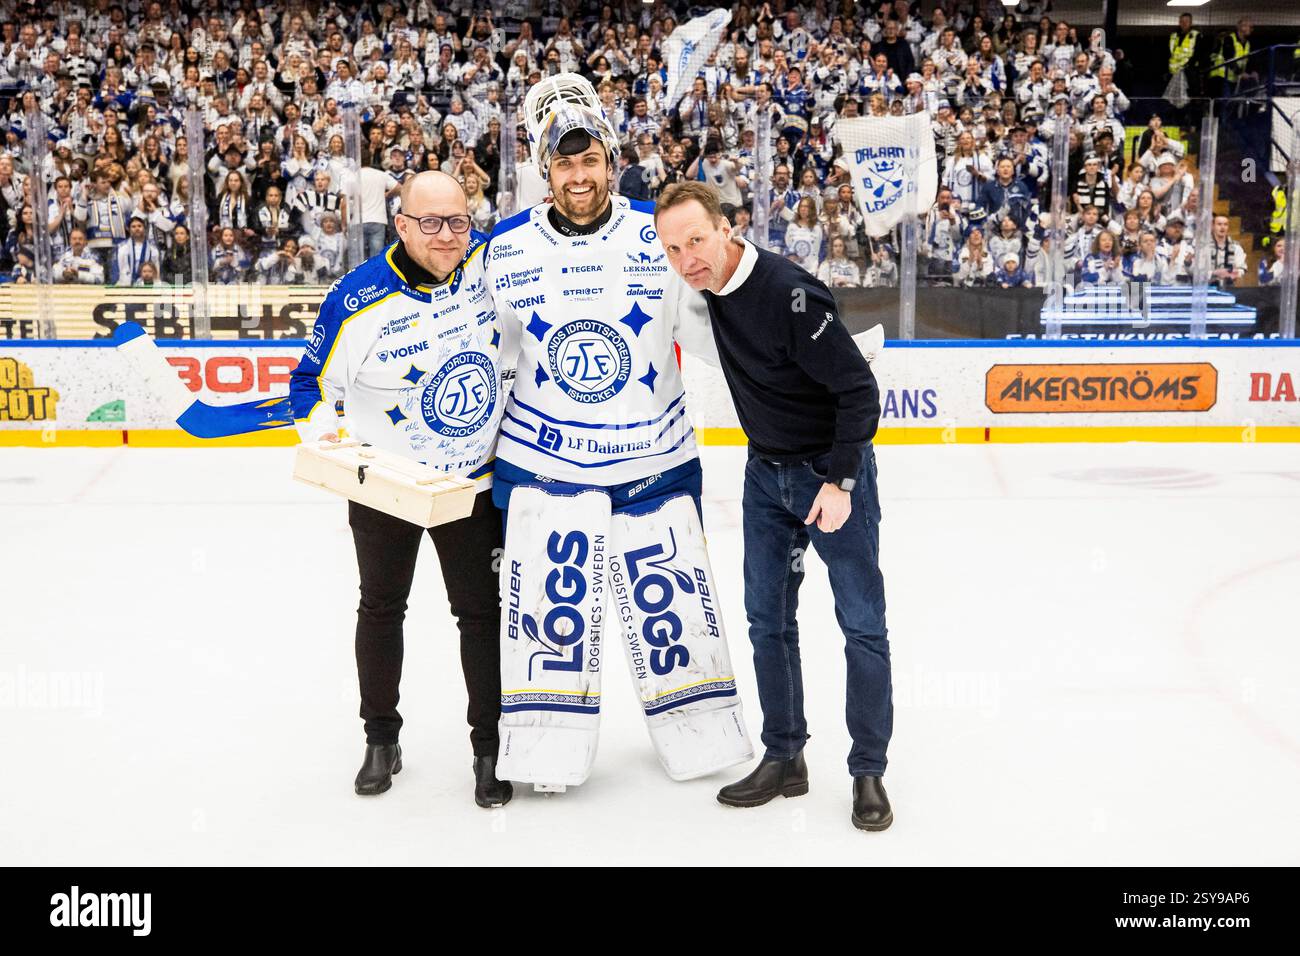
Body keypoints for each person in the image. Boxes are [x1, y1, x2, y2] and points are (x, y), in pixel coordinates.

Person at [482, 84, 752, 791]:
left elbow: (723, 322)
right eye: (565, 165)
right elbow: (483, 361)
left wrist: (816, 358)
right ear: (544, 167)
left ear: (611, 158)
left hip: (653, 464)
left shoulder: (658, 237)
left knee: (675, 608)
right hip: (543, 468)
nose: (580, 178)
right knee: (550, 617)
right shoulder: (502, 251)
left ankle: (705, 740)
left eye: (592, 161)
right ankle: (544, 756)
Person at [655, 180, 893, 833]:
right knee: (768, 622)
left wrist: (840, 483)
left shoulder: (790, 294)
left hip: (827, 476)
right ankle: (785, 756)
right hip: (766, 477)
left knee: (862, 624)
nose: (686, 260)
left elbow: (858, 393)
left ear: (729, 227)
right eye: (673, 248)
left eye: (696, 241)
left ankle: (868, 771)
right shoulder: (702, 290)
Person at [289, 170, 518, 808]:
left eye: (459, 221)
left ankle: (488, 745)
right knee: (382, 609)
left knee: (480, 615)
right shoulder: (358, 298)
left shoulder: (486, 265)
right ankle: (380, 738)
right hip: (387, 489)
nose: (448, 236)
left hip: (470, 485)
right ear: (402, 224)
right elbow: (309, 385)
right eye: (431, 223)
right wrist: (332, 440)